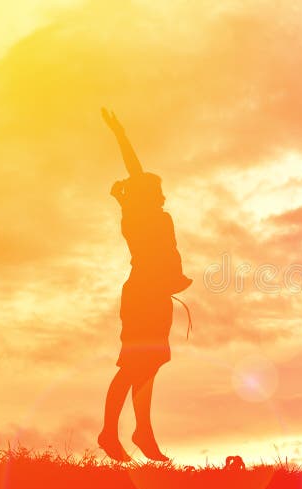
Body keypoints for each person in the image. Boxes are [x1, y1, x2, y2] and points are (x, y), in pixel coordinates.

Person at [97, 108, 191, 462]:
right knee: (133, 366)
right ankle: (110, 431)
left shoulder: (151, 214)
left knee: (147, 366)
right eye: (158, 192)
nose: (164, 197)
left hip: (155, 295)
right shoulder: (140, 216)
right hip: (142, 296)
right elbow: (135, 171)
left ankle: (143, 432)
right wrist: (120, 133)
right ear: (146, 195)